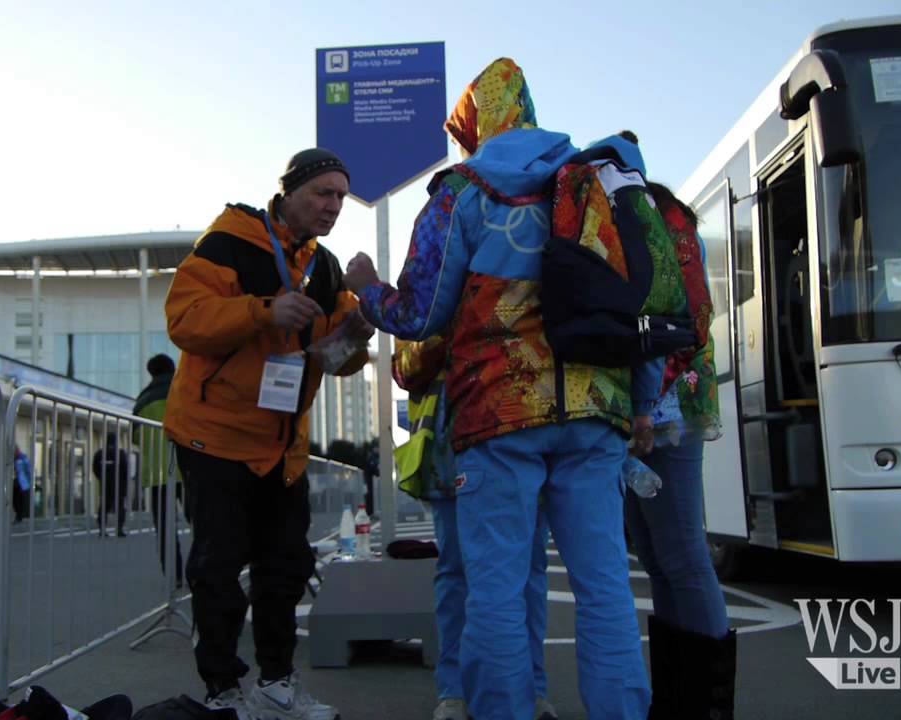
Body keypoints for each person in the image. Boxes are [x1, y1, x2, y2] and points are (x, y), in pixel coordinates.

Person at [345, 57, 652, 720]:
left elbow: (419, 316)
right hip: (598, 411)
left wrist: (365, 285)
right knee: (605, 589)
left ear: (476, 121)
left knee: (494, 588)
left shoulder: (463, 190)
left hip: (501, 414)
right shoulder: (589, 178)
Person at [163, 147, 370, 719]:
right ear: (290, 190)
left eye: (341, 197)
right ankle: (222, 692)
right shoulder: (230, 238)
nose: (333, 206)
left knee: (285, 569)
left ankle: (278, 684)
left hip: (282, 448)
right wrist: (262, 311)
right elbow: (184, 319)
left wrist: (358, 325)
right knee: (218, 568)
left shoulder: (325, 268)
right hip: (214, 437)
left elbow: (332, 359)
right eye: (322, 193)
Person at [393, 336, 556, 720]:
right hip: (454, 442)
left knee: (529, 569)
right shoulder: (430, 285)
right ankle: (455, 690)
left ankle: (531, 687)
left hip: (526, 426)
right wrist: (446, 334)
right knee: (457, 570)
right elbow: (403, 368)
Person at [626, 175, 736, 719]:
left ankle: (707, 705)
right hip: (646, 407)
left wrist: (647, 395)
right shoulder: (642, 216)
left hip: (672, 406)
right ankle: (677, 699)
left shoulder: (662, 221)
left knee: (683, 556)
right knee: (658, 558)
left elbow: (688, 321)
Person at [132, 353, 183, 585]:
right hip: (189, 468)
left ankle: (174, 576)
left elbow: (135, 437)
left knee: (164, 528)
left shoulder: (142, 401)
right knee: (204, 523)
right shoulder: (184, 389)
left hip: (157, 474)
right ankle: (206, 572)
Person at [92, 432, 130, 537]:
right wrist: (125, 485)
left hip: (105, 485)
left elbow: (95, 469)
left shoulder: (100, 454)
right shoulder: (120, 454)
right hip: (119, 486)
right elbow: (126, 470)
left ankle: (102, 530)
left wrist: (102, 478)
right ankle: (119, 530)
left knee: (103, 507)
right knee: (120, 508)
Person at [13, 445, 32, 523]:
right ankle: (19, 515)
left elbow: (28, 470)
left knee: (20, 500)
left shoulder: (23, 458)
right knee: (15, 500)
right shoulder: (14, 459)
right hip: (16, 482)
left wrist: (29, 482)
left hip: (23, 483)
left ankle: (19, 516)